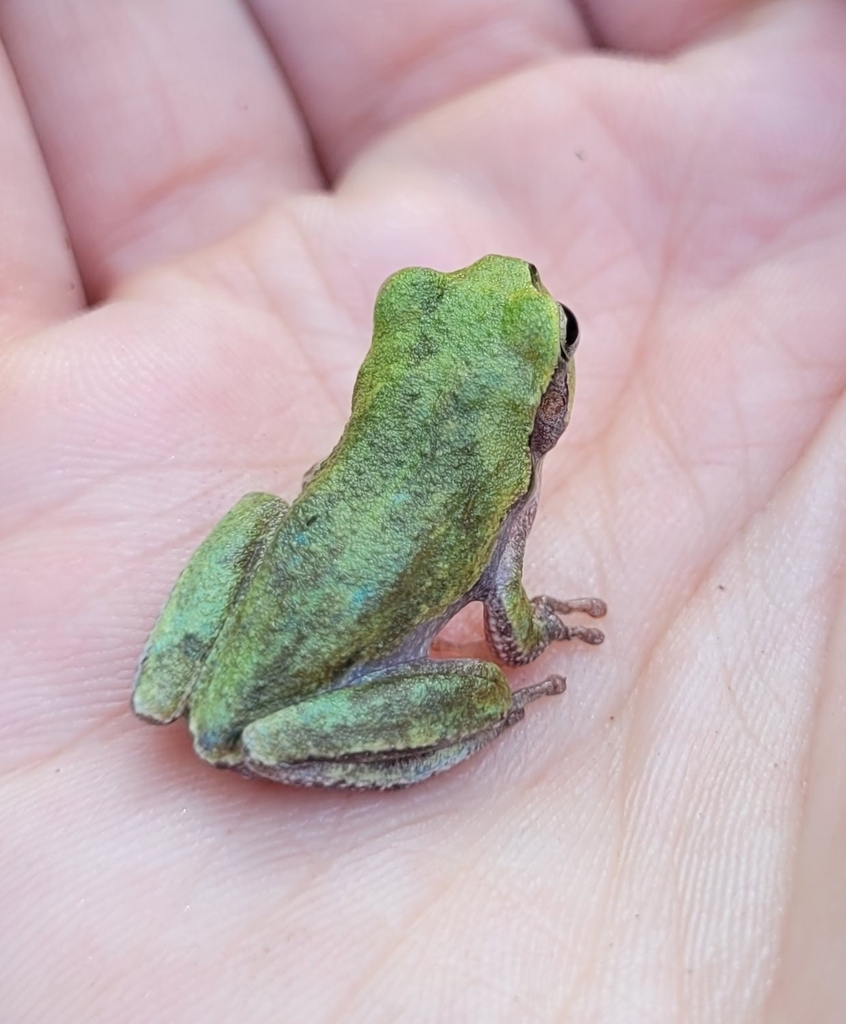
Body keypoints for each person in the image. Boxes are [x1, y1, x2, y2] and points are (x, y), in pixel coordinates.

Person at [1, 1, 844, 1020]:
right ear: (550, 405)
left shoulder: (479, 458)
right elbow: (508, 628)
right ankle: (267, 724)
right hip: (334, 668)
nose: (521, 285)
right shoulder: (512, 480)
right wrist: (531, 639)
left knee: (270, 509)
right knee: (486, 690)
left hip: (277, 605)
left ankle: (192, 686)